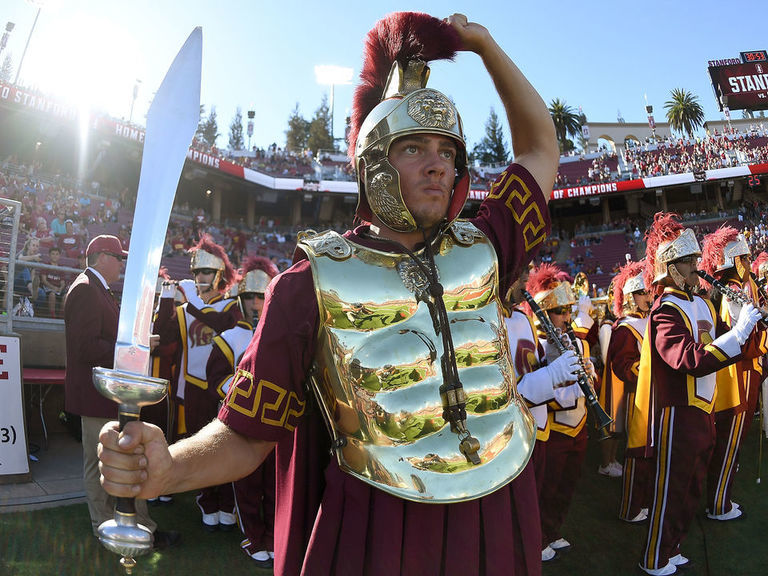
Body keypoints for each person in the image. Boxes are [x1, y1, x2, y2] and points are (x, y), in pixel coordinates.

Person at [98, 12, 558, 576]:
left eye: (447, 150)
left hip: (500, 505)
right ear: (374, 166)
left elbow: (540, 147)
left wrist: (486, 47)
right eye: (414, 147)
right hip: (380, 524)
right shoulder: (308, 285)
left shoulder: (484, 246)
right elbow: (245, 435)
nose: (438, 163)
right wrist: (168, 468)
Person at [629, 214, 762, 576]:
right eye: (688, 262)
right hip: (678, 412)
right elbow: (687, 358)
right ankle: (654, 556)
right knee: (672, 489)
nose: (696, 267)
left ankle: (672, 546)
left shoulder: (699, 303)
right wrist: (738, 334)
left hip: (704, 408)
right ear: (672, 269)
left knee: (691, 487)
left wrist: (742, 325)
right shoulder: (664, 311)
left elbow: (716, 343)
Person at [63, 234, 178, 548]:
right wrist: (131, 349)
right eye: (119, 258)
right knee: (99, 461)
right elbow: (86, 347)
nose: (122, 264)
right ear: (102, 257)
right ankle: (103, 526)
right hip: (95, 394)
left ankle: (138, 525)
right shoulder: (87, 290)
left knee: (123, 457)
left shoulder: (94, 287)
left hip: (104, 394)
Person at [153, 234, 240, 531]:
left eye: (205, 272)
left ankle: (227, 502)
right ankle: (207, 500)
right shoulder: (186, 309)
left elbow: (219, 323)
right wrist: (166, 297)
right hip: (192, 387)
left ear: (219, 275)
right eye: (196, 272)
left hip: (224, 387)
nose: (199, 277)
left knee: (226, 448)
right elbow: (163, 339)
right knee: (199, 447)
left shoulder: (231, 307)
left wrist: (191, 303)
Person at [504, 265, 582, 562]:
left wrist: (554, 363)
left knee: (536, 497)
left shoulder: (522, 317)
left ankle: (534, 542)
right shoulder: (488, 318)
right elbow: (504, 391)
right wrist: (552, 373)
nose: (526, 278)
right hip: (513, 433)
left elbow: (533, 366)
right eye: (520, 270)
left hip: (539, 425)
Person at [206, 256, 279, 567]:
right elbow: (216, 380)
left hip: (276, 424)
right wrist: (247, 399)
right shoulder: (228, 339)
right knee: (247, 483)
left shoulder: (282, 337)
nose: (254, 302)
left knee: (274, 485)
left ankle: (275, 536)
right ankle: (252, 535)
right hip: (241, 424)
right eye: (248, 296)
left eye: (260, 296)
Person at [526, 263, 593, 558]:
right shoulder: (538, 345)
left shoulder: (575, 340)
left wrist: (590, 373)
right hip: (555, 428)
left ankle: (553, 530)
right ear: (545, 314)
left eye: (568, 310)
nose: (567, 317)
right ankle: (538, 538)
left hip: (579, 424)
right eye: (560, 311)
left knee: (567, 486)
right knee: (547, 488)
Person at [699, 227, 767, 521]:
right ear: (736, 261)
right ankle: (718, 504)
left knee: (731, 443)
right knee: (729, 443)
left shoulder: (736, 289)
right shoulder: (734, 293)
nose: (749, 262)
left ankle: (720, 499)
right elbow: (748, 342)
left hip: (738, 375)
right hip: (737, 377)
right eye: (746, 257)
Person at [604, 259, 653, 523]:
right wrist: (648, 369)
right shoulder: (625, 327)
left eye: (648, 291)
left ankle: (645, 500)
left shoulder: (651, 319)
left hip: (654, 393)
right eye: (642, 293)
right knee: (637, 452)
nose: (648, 296)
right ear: (631, 297)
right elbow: (622, 366)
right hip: (638, 397)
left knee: (652, 452)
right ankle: (631, 507)